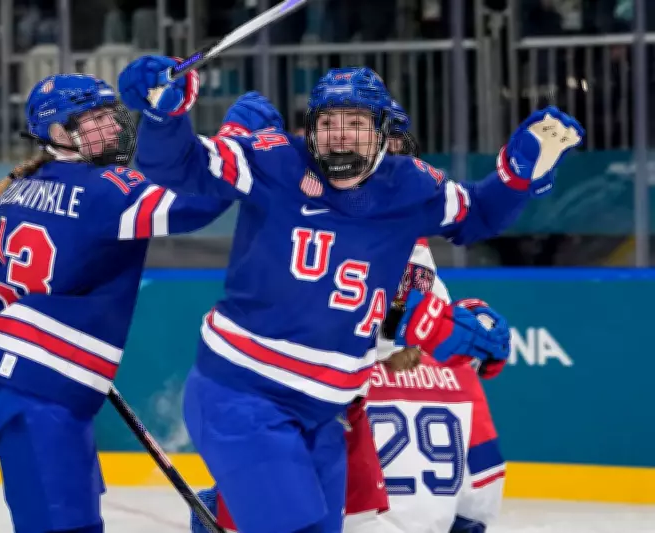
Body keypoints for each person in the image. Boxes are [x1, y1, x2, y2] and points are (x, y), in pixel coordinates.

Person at [118, 58, 583, 533]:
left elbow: (479, 213)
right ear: (311, 128)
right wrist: (164, 115)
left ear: (382, 132)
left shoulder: (411, 186)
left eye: (357, 124)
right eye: (329, 123)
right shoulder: (274, 159)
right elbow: (181, 166)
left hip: (327, 413)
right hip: (246, 395)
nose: (341, 135)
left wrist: (519, 175)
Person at [190, 101, 506, 533]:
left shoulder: (381, 236)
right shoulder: (393, 237)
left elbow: (394, 336)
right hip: (341, 434)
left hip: (341, 426)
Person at [0, 73, 230, 533]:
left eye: (110, 116)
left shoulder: (15, 190)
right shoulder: (107, 188)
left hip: (18, 377)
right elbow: (201, 204)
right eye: (93, 120)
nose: (110, 128)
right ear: (58, 133)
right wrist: (233, 147)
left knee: (77, 521)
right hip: (39, 392)